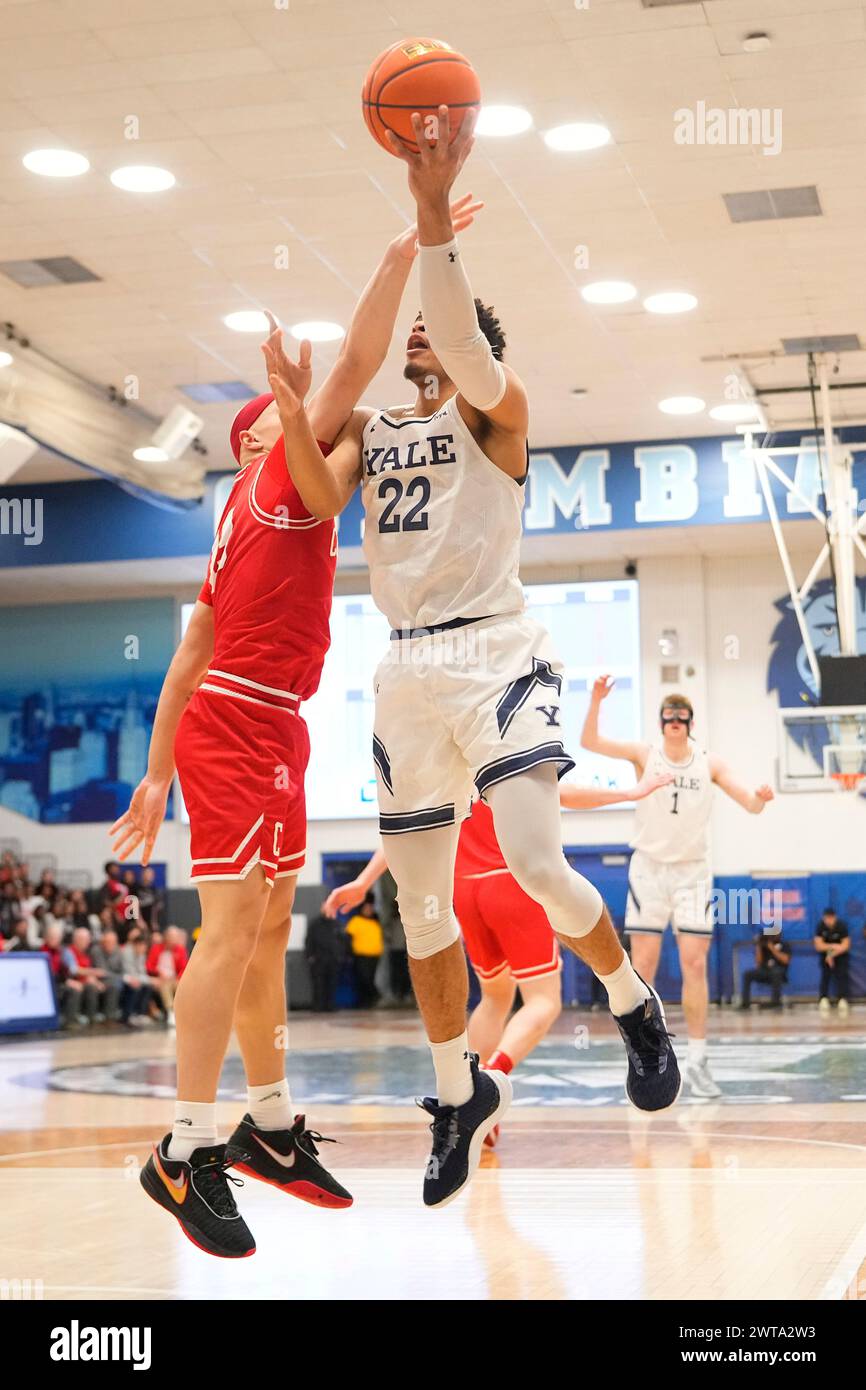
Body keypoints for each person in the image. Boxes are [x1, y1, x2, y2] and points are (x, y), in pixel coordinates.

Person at [274, 107, 683, 1209]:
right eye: (412, 333)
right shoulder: (374, 431)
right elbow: (313, 495)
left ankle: (631, 1001)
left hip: (496, 653)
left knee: (539, 861)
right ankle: (457, 1090)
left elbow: (458, 338)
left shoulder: (500, 414)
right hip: (403, 669)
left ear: (474, 352)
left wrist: (427, 219)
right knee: (419, 909)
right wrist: (283, 400)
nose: (418, 340)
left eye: (437, 334)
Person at [110, 196, 483, 1256]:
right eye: (291, 412)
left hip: (264, 724)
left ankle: (266, 1125)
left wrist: (149, 778)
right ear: (259, 441)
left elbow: (187, 653)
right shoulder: (275, 474)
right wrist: (397, 251)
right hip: (240, 726)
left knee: (272, 925)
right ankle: (180, 1153)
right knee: (229, 931)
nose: (321, 413)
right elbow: (358, 364)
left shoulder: (243, 523)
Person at [326, 767, 673, 1145]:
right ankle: (490, 1079)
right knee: (543, 1000)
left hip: (466, 892)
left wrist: (364, 881)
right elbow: (566, 793)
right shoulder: (501, 749)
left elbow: (407, 831)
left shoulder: (443, 767)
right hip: (510, 881)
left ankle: (466, 1091)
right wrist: (631, 793)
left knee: (495, 997)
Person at [581, 680, 774, 1099]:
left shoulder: (709, 762)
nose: (673, 722)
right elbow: (590, 741)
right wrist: (595, 700)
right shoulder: (644, 755)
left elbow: (750, 802)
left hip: (691, 873)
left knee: (695, 964)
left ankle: (699, 1060)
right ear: (660, 722)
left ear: (689, 723)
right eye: (667, 715)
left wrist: (760, 797)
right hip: (649, 869)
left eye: (680, 716)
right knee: (641, 966)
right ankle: (641, 1054)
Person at [376, 869, 412, 1006]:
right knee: (396, 974)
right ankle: (397, 995)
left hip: (406, 951)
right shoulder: (391, 922)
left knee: (406, 974)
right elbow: (387, 933)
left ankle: (406, 994)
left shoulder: (407, 921)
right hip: (395, 951)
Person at [345, 894, 383, 1008]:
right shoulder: (356, 920)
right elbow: (347, 937)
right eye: (366, 908)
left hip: (374, 955)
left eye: (370, 908)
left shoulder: (375, 922)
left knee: (369, 978)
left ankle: (368, 1002)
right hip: (361, 955)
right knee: (363, 978)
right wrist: (349, 952)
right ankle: (374, 996)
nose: (369, 910)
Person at [145, 926, 188, 1027]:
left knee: (181, 987)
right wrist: (158, 972)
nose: (174, 940)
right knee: (165, 987)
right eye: (172, 937)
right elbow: (149, 966)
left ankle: (184, 1013)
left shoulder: (180, 950)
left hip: (175, 979)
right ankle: (171, 1012)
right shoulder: (156, 949)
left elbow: (184, 968)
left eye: (175, 938)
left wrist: (177, 978)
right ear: (166, 937)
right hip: (160, 979)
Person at [739, 931, 791, 1010]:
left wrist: (772, 948)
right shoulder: (764, 944)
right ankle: (745, 1003)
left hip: (779, 972)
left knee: (776, 972)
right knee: (747, 974)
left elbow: (786, 960)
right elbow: (758, 963)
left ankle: (775, 1002)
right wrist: (758, 946)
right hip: (765, 971)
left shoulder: (784, 945)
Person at [814, 907, 850, 1017]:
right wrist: (833, 947)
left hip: (839, 956)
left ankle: (842, 998)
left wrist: (832, 954)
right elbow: (818, 946)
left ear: (835, 917)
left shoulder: (841, 926)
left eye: (831, 918)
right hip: (825, 956)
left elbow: (846, 945)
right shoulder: (820, 926)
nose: (829, 920)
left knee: (842, 975)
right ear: (824, 918)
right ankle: (823, 998)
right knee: (825, 975)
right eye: (826, 918)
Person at [304, 910, 341, 1012]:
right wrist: (310, 956)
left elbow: (342, 940)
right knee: (318, 985)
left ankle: (331, 1005)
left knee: (332, 984)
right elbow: (309, 940)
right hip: (318, 960)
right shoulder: (315, 924)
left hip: (333, 960)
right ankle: (318, 1006)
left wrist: (340, 956)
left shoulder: (336, 924)